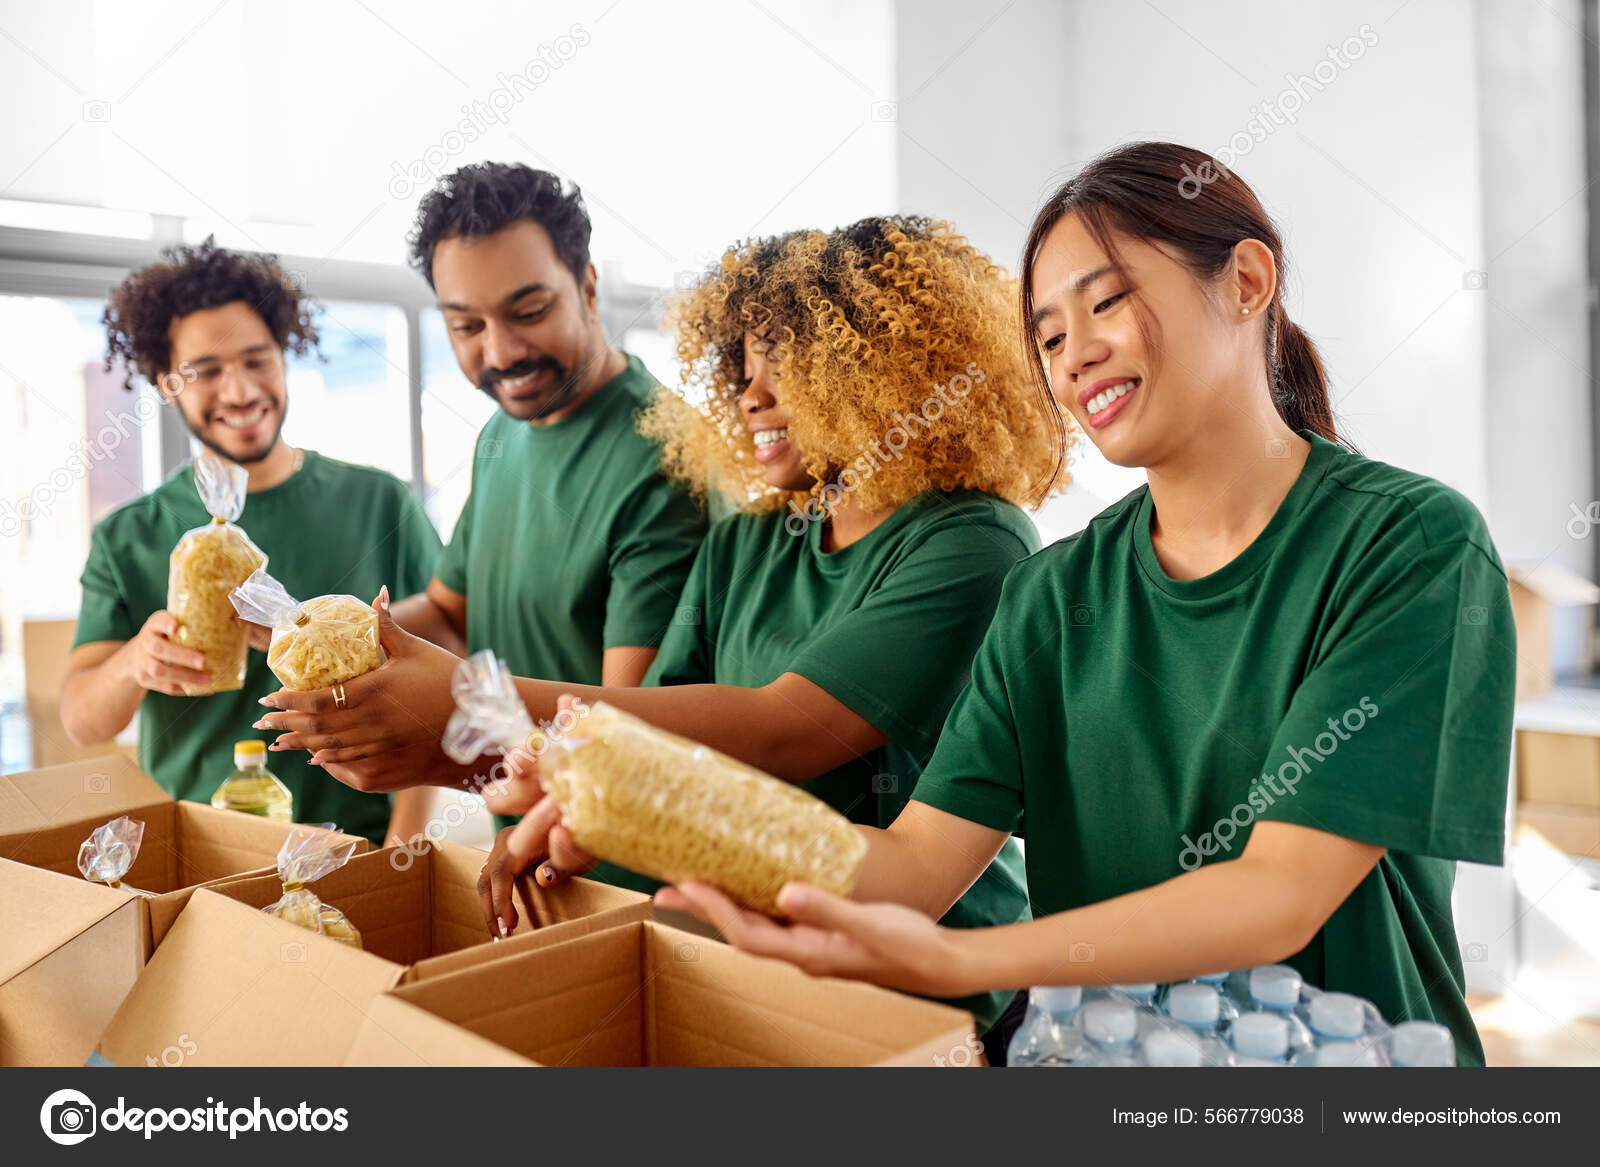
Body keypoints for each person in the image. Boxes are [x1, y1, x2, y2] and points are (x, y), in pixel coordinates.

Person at [649, 143, 1517, 1066]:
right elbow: (908, 867)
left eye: (1105, 303)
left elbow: (1278, 891)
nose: (1077, 355)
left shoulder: (1410, 546)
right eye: (1051, 336)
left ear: (1248, 280)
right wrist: (637, 802)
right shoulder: (1051, 599)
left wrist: (963, 958)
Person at [255, 215, 1072, 1038]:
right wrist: (544, 809)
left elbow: (788, 728)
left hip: (921, 999)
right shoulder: (747, 541)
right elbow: (652, 748)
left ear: (880, 372)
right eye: (742, 369)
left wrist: (469, 698)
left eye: (786, 367)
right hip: (751, 972)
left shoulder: (970, 540)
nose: (751, 396)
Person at [61, 240, 441, 845]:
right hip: (201, 853)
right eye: (207, 371)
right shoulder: (129, 536)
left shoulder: (380, 502)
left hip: (357, 846)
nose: (239, 392)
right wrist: (137, 661)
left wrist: (407, 835)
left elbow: (439, 672)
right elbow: (83, 721)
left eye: (257, 361)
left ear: (285, 359)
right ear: (167, 385)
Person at [385, 162, 707, 831]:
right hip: (524, 846)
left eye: (528, 312)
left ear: (587, 287)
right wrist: (326, 634)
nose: (501, 352)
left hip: (617, 864)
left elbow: (618, 731)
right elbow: (452, 616)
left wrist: (424, 737)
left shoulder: (668, 456)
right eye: (466, 327)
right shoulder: (502, 434)